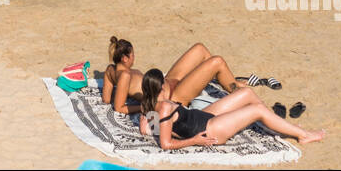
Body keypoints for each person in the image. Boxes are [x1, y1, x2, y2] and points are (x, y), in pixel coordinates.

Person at [138, 68, 323, 150]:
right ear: (162, 86)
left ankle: (275, 124)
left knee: (247, 94)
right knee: (257, 109)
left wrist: (146, 128)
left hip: (203, 116)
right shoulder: (162, 107)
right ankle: (303, 135)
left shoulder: (148, 103)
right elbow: (166, 143)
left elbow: (155, 125)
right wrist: (194, 140)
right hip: (210, 128)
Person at [102, 37, 245, 115]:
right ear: (125, 58)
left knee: (199, 49)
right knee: (217, 61)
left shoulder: (110, 70)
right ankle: (237, 93)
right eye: (132, 55)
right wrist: (143, 107)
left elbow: (106, 99)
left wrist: (121, 90)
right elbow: (119, 108)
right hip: (174, 96)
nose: (134, 57)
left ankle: (226, 80)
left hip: (167, 82)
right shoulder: (125, 75)